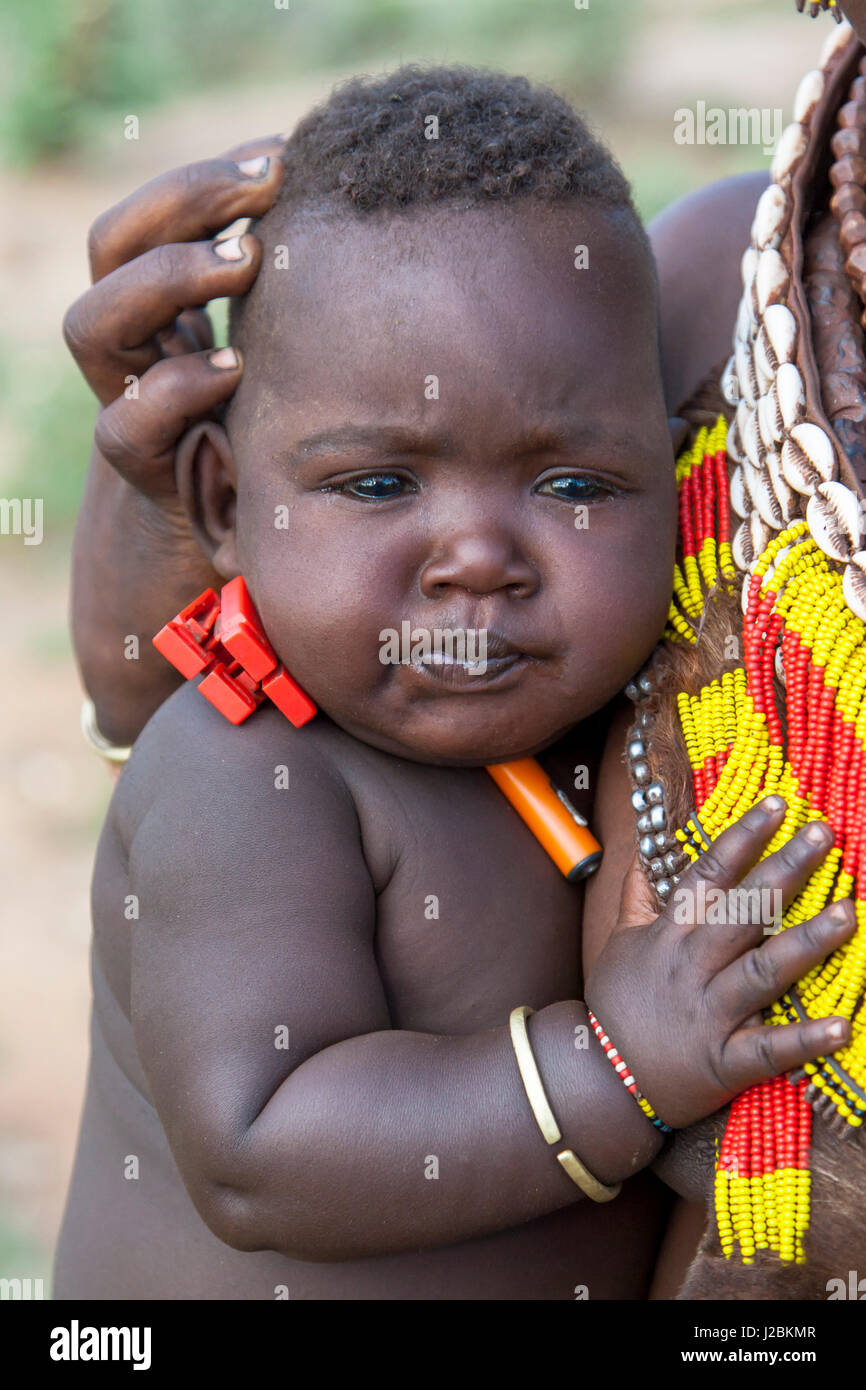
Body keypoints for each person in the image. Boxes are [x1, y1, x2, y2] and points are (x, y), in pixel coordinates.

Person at [55, 65, 852, 1300]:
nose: (478, 559)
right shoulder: (245, 773)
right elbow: (258, 1148)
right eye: (378, 484)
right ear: (222, 501)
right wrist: (615, 1067)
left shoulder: (608, 698)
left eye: (575, 485)